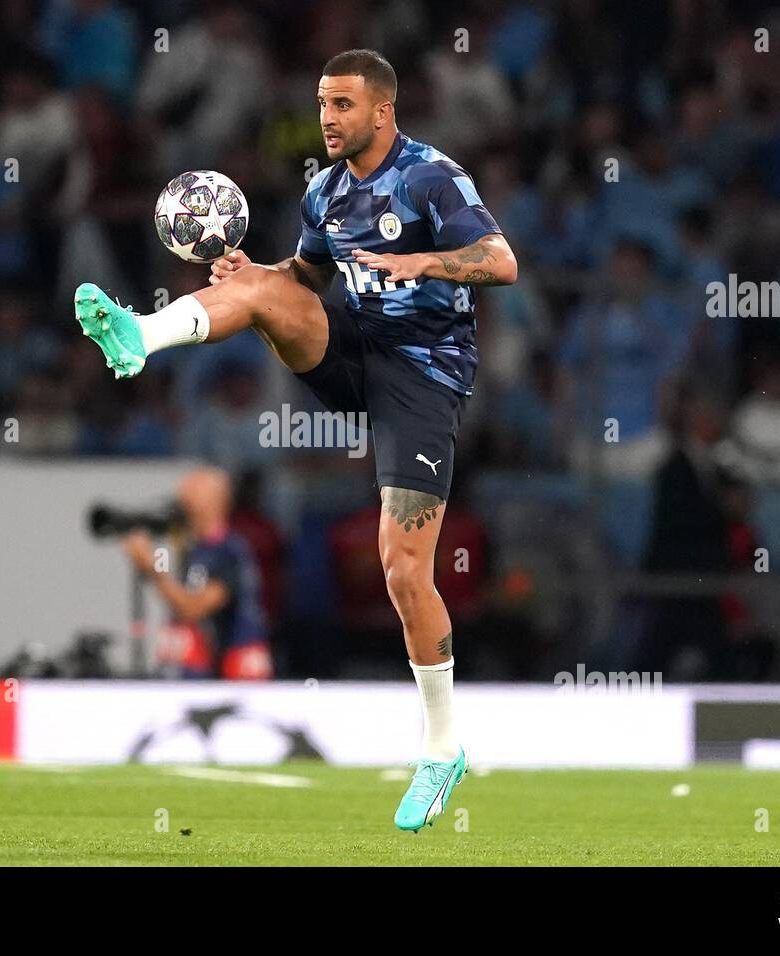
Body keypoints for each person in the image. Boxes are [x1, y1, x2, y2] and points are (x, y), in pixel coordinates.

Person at [76, 49, 517, 830]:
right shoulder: (324, 192)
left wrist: (421, 260)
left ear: (382, 110)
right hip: (349, 349)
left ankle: (442, 748)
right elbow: (309, 277)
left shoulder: (431, 177)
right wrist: (267, 270)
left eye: (342, 105)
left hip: (422, 380)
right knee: (254, 286)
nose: (327, 119)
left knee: (403, 572)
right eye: (321, 103)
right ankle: (139, 336)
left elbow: (500, 260)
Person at [120, 467, 272, 680]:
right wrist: (152, 560)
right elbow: (178, 592)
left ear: (215, 502)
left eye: (191, 496)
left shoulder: (228, 552)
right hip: (192, 675)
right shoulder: (193, 549)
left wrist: (152, 569)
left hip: (229, 680)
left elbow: (192, 608)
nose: (183, 503)